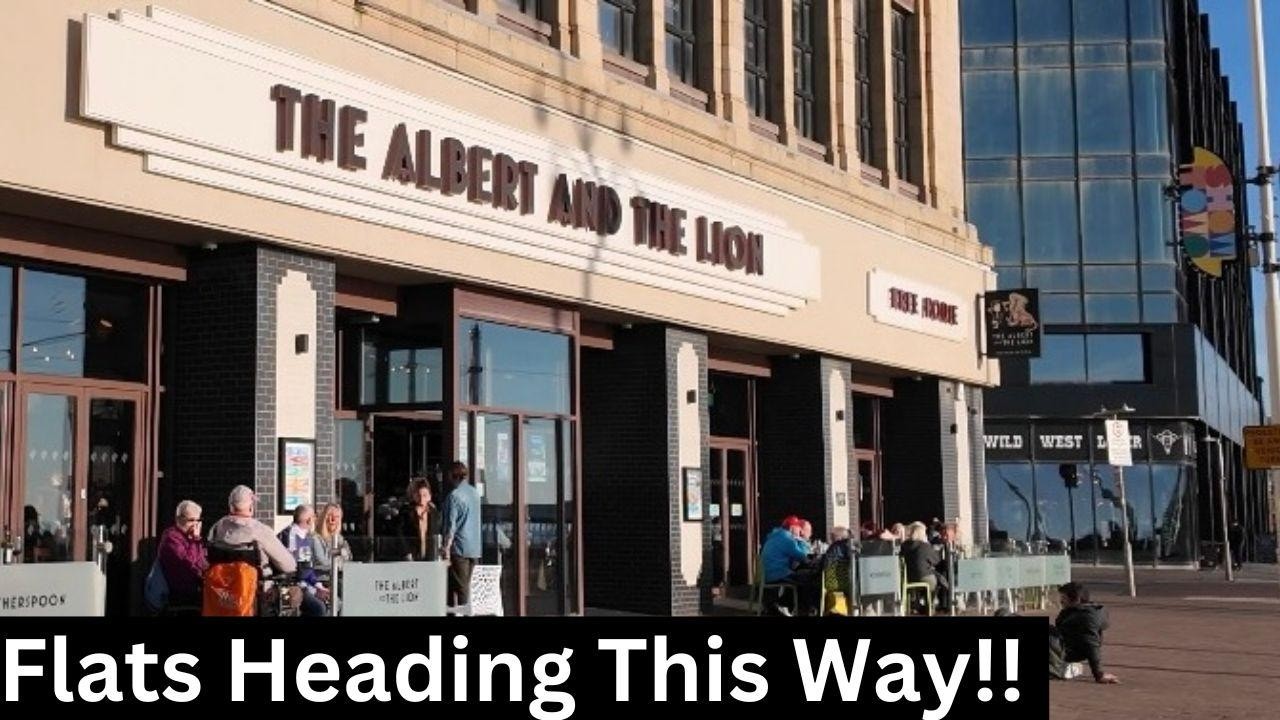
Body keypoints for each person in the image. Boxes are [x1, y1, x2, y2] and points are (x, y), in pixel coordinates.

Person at [208, 486, 326, 616]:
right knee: (314, 607)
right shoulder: (260, 531)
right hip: (258, 595)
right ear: (251, 507)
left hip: (222, 594)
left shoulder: (217, 528)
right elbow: (289, 565)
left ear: (231, 506)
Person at [1051, 582, 1119, 684]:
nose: (1061, 601)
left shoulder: (1087, 618)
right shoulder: (1075, 610)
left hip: (1065, 651)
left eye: (1063, 598)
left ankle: (1062, 669)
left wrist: (1099, 674)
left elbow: (1091, 645)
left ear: (1076, 599)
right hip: (1060, 646)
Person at [441, 462, 482, 609]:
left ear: (453, 475)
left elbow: (451, 526)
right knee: (459, 584)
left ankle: (464, 612)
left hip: (459, 548)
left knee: (461, 587)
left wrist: (446, 548)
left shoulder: (454, 496)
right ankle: (454, 611)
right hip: (474, 547)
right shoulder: (475, 493)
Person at [761, 516, 820, 615]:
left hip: (769, 573)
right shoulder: (786, 538)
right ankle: (805, 609)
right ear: (793, 528)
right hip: (779, 574)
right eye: (798, 528)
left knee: (801, 577)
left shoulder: (775, 536)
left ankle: (783, 604)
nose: (800, 531)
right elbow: (802, 557)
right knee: (810, 577)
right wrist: (801, 541)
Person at [154, 500, 208, 609]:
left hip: (193, 585)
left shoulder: (189, 537)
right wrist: (195, 540)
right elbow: (188, 562)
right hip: (180, 591)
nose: (196, 525)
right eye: (192, 520)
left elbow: (201, 560)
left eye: (198, 520)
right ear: (180, 520)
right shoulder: (171, 538)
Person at [901, 521, 949, 612]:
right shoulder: (924, 546)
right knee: (935, 580)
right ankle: (931, 605)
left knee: (932, 576)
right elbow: (936, 561)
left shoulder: (904, 546)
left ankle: (917, 604)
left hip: (908, 578)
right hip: (925, 577)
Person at [400, 478, 442, 561]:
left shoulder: (434, 513)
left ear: (429, 496)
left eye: (424, 495)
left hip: (430, 555)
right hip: (412, 555)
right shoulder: (406, 512)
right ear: (413, 496)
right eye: (418, 495)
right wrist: (407, 552)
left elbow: (438, 532)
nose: (422, 499)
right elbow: (401, 533)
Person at [314, 503, 352, 572]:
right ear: (324, 518)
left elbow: (348, 560)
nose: (333, 520)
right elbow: (324, 563)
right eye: (330, 516)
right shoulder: (316, 538)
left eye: (337, 517)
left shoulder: (341, 540)